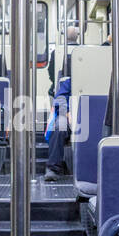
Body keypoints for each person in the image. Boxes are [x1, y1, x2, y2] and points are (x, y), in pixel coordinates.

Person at [43, 25, 78, 179]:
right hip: (71, 115)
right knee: (59, 125)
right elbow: (60, 99)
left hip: (92, 115)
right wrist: (68, 112)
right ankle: (53, 168)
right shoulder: (69, 81)